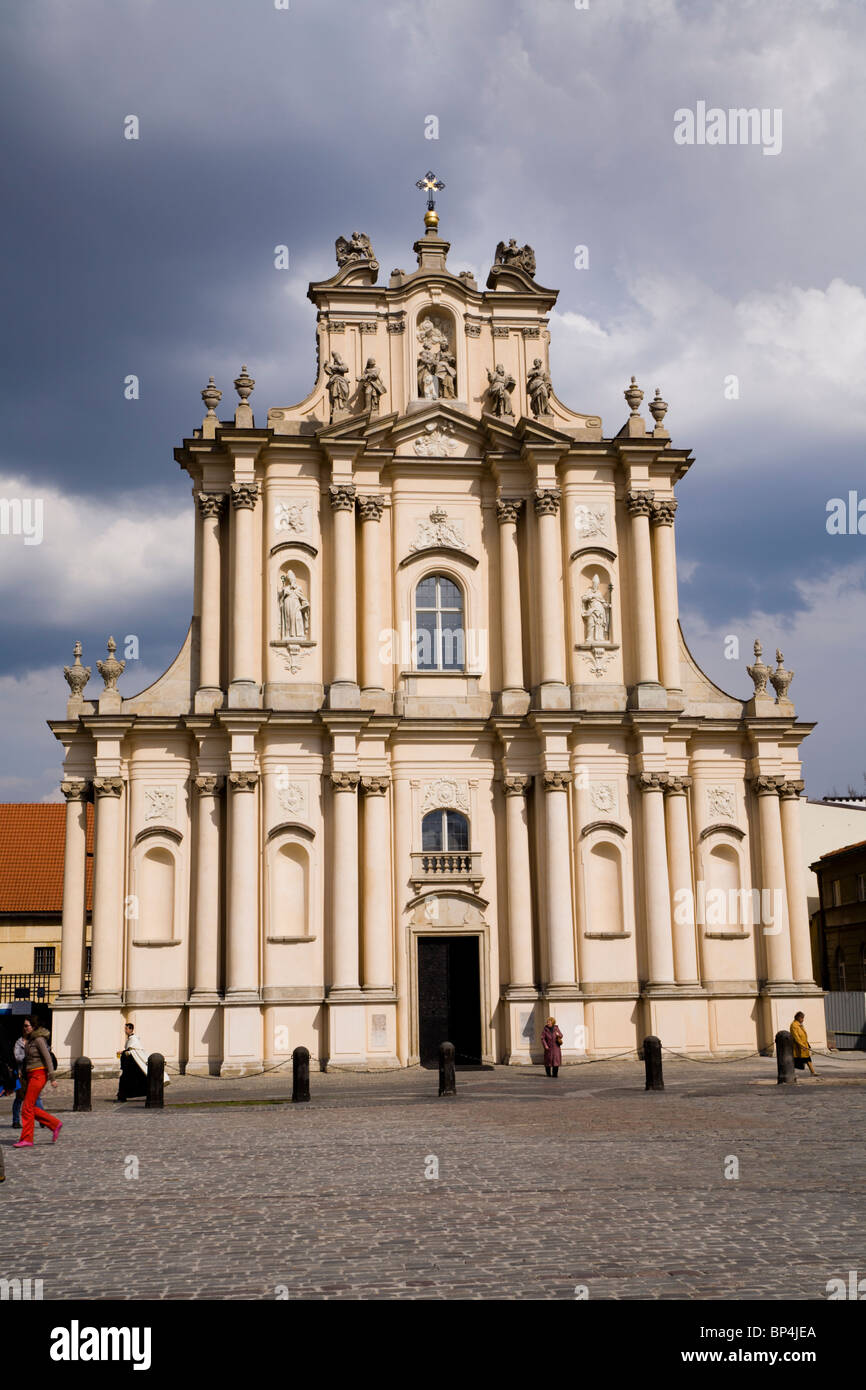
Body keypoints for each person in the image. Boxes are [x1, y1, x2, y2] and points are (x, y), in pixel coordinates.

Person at [12, 1016, 61, 1147]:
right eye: (24, 1025)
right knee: (30, 1107)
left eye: (27, 1025)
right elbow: (25, 1060)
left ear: (33, 1027)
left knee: (27, 1107)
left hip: (39, 1074)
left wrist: (52, 1078)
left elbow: (48, 1058)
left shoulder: (39, 1040)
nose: (25, 1028)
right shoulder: (29, 1041)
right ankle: (55, 1124)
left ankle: (27, 1138)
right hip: (30, 1075)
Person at [116, 1022, 170, 1100]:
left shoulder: (134, 1039)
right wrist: (124, 1052)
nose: (125, 1030)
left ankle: (123, 1096)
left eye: (126, 1028)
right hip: (129, 1066)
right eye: (125, 1028)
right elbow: (130, 1050)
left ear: (131, 1029)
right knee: (127, 1080)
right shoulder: (130, 1039)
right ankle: (122, 1095)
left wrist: (123, 1052)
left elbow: (133, 1052)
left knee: (129, 1080)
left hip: (133, 1066)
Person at [790, 1011, 817, 1076]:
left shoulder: (799, 1025)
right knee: (795, 1061)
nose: (803, 1019)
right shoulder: (794, 1025)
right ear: (798, 1018)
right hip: (798, 1046)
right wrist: (801, 1045)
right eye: (802, 1018)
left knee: (807, 1058)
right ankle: (791, 1074)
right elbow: (796, 1037)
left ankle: (813, 1072)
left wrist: (806, 1045)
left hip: (804, 1045)